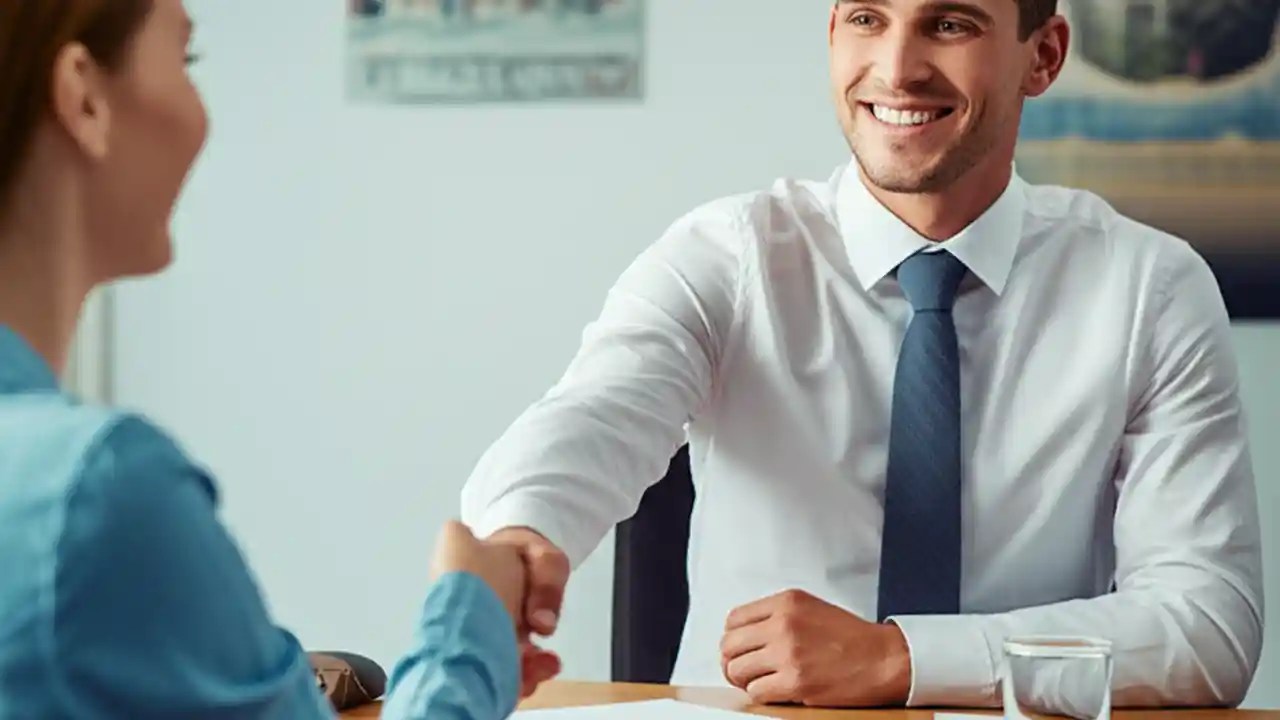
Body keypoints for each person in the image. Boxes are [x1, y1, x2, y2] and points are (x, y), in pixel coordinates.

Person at [460, 0, 1265, 709]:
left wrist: (899, 659)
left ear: (1043, 56)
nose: (898, 68)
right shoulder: (727, 256)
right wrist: (522, 530)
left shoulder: (1148, 288)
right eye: (867, 19)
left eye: (950, 23)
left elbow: (1208, 624)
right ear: (833, 34)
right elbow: (595, 413)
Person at [0, 1, 558, 717]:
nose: (203, 117)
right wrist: (470, 619)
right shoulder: (90, 493)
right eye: (186, 59)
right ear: (83, 97)